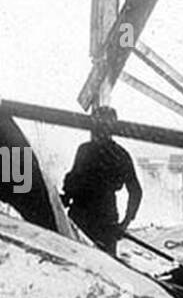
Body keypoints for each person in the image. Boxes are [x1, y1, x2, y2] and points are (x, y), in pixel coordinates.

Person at [61, 105, 143, 256]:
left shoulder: (86, 150)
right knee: (104, 265)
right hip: (101, 218)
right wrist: (124, 223)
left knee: (77, 261)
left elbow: (136, 191)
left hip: (87, 217)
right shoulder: (119, 154)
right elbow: (135, 191)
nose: (100, 129)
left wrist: (125, 223)